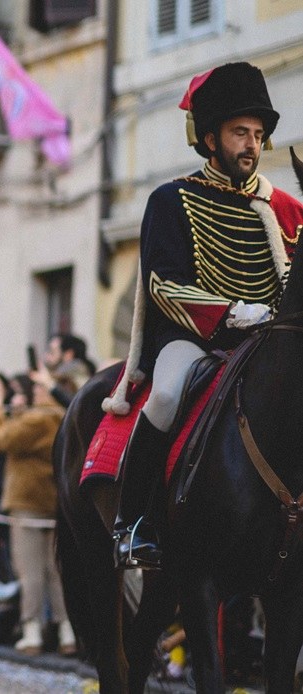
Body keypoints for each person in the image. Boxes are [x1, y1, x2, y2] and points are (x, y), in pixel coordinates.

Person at [106, 62, 303, 569]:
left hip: (270, 341)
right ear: (210, 138)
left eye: (258, 135)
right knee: (168, 394)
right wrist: (234, 312)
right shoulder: (171, 199)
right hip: (193, 338)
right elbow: (163, 285)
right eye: (241, 132)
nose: (251, 145)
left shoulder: (286, 208)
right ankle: (133, 525)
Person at [0, 374, 75, 656]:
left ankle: (32, 631)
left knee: (29, 570)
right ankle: (66, 630)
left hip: (28, 501)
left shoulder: (39, 419)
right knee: (56, 571)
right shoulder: (62, 417)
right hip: (54, 501)